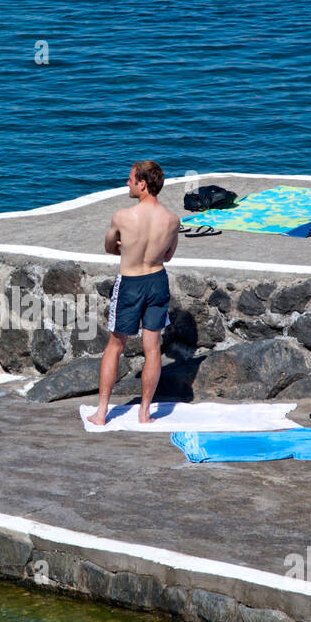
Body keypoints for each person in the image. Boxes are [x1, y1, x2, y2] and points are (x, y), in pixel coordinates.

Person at [87, 160, 179, 426]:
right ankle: (144, 412)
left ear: (142, 184)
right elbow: (169, 255)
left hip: (130, 282)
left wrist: (120, 245)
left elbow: (109, 246)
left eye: (130, 179)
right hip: (157, 280)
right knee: (153, 348)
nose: (127, 183)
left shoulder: (122, 216)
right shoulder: (172, 220)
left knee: (115, 346)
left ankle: (101, 412)